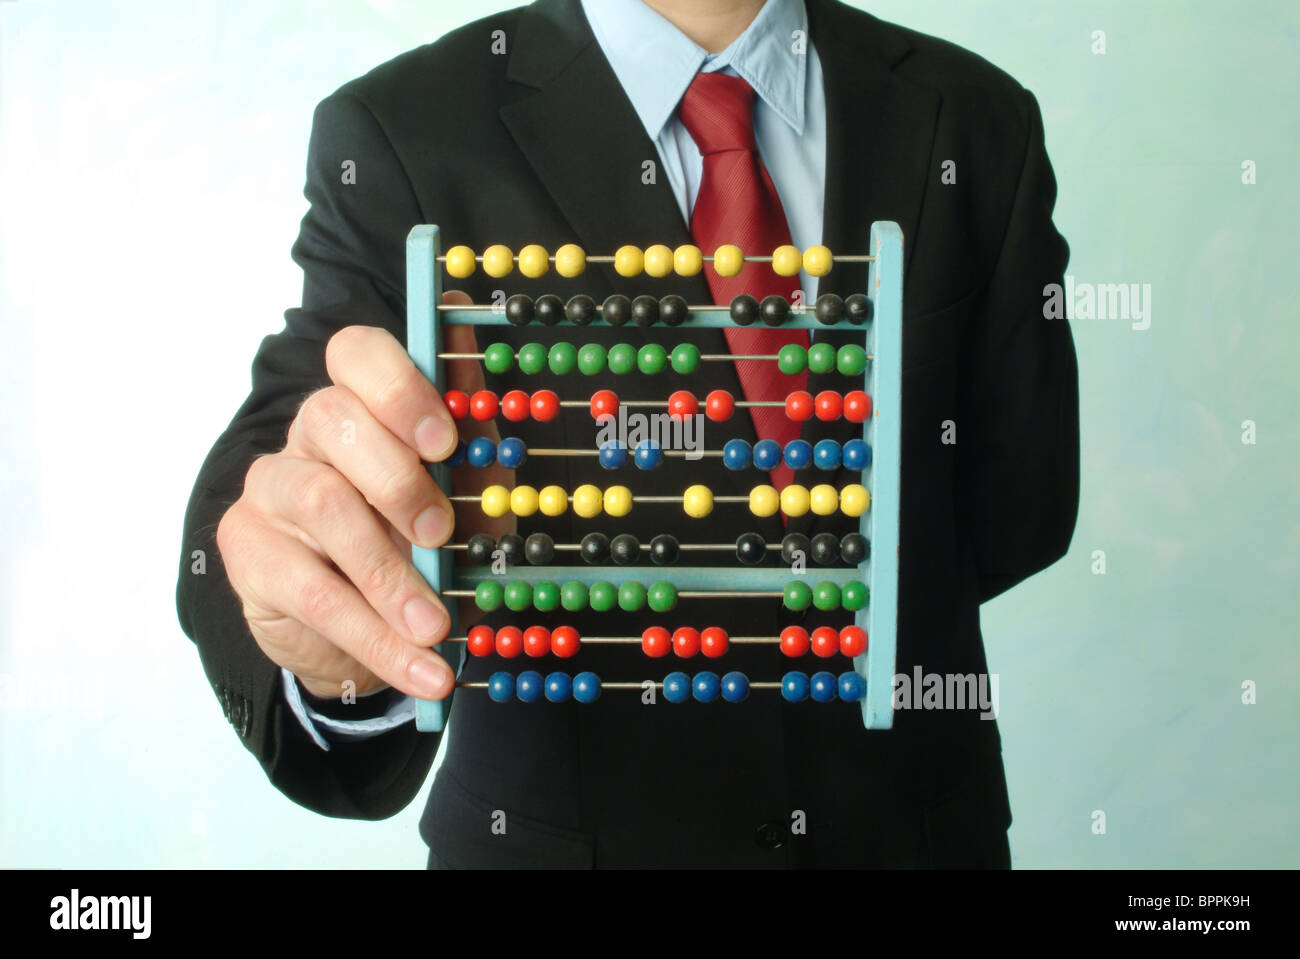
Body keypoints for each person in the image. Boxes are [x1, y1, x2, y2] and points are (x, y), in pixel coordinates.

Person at [176, 0, 1079, 868]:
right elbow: (295, 441)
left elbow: (1019, 515)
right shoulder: (403, 131)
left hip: (917, 842)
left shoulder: (976, 119)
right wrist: (323, 629)